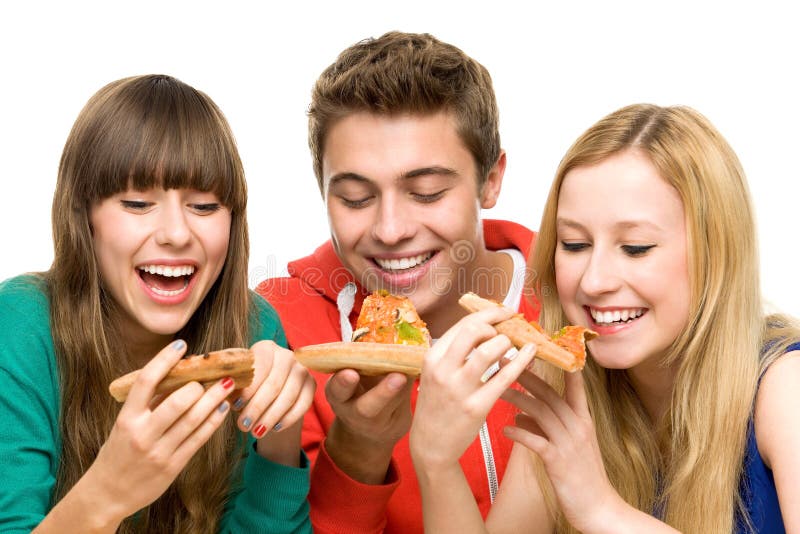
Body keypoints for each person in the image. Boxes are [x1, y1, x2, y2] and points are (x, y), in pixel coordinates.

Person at [409, 103, 800, 533]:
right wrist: (437, 462)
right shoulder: (567, 393)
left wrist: (601, 510)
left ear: (717, 256)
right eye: (574, 245)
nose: (593, 282)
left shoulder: (785, 388)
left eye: (635, 248)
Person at [0, 75, 316, 533]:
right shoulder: (19, 327)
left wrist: (281, 436)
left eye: (205, 207)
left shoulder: (255, 329)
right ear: (83, 217)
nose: (176, 233)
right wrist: (106, 494)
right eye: (136, 202)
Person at [256, 31, 538, 533]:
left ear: (491, 180)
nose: (390, 230)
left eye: (426, 192)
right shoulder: (278, 326)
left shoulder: (585, 299)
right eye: (356, 198)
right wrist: (361, 447)